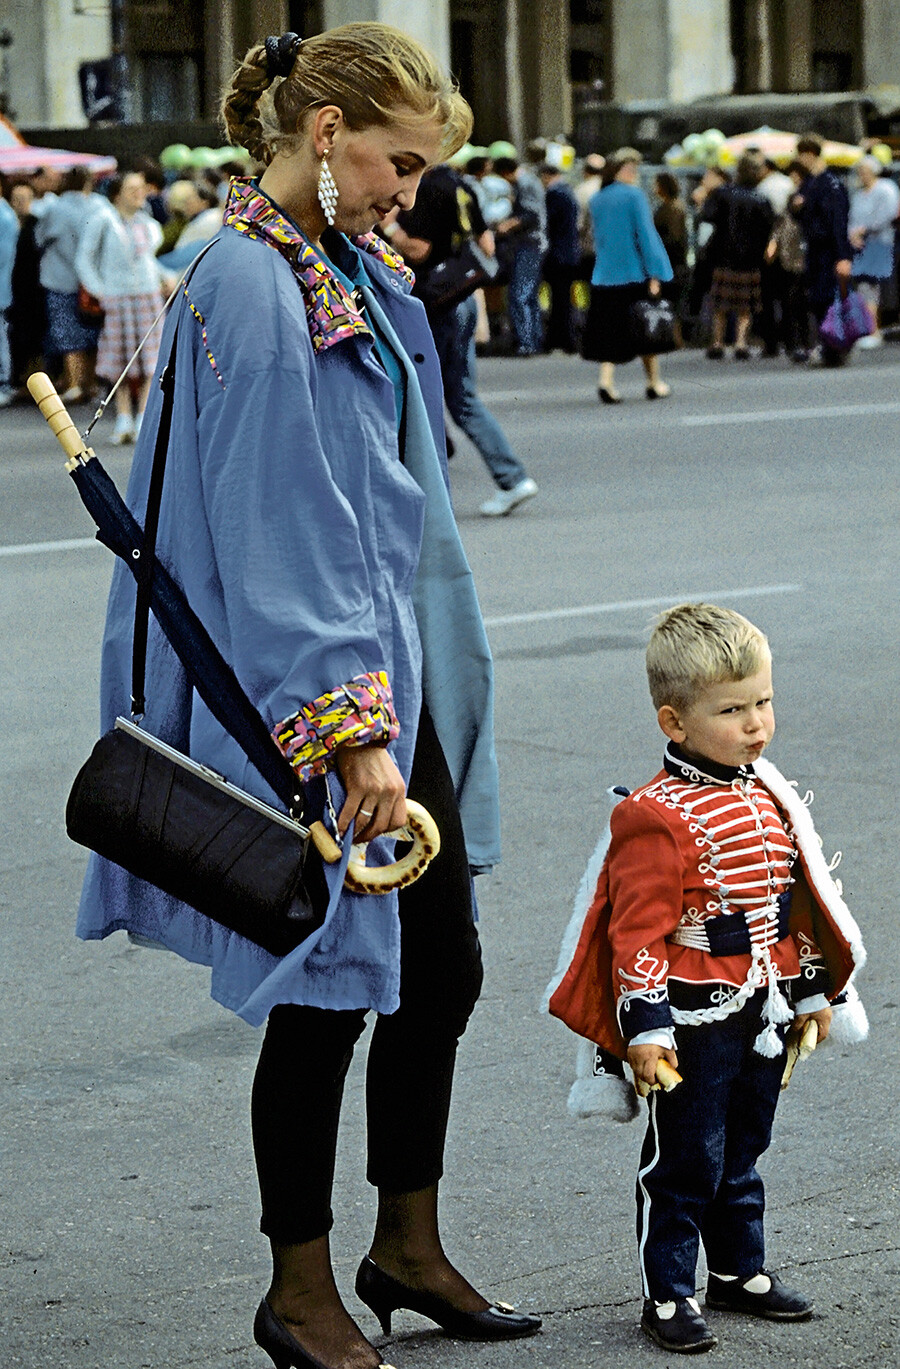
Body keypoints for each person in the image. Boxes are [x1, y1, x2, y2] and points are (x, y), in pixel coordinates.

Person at [74, 23, 541, 1369]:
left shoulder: (318, 263)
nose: (415, 192)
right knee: (327, 983)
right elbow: (285, 535)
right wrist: (354, 742)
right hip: (321, 700)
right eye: (401, 162)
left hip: (382, 677)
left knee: (436, 967)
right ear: (327, 133)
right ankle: (298, 1284)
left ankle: (407, 1242)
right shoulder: (256, 285)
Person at [548, 601, 867, 1354]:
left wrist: (813, 995)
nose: (756, 722)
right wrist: (646, 1033)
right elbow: (637, 935)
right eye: (732, 709)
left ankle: (736, 1269)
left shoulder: (768, 794)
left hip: (764, 1005)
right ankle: (668, 1291)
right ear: (675, 721)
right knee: (686, 1157)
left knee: (746, 1145)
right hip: (692, 1019)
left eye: (763, 701)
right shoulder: (655, 815)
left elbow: (796, 905)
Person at [390, 160, 539, 516]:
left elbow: (420, 249)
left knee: (430, 397)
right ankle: (508, 476)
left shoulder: (426, 189)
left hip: (437, 300)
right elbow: (485, 244)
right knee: (457, 396)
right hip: (462, 295)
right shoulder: (461, 185)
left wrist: (391, 228)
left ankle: (506, 479)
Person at [75, 170, 166, 443]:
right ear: (117, 194)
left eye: (142, 188)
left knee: (150, 360)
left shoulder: (148, 224)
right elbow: (84, 259)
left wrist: (164, 278)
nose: (140, 193)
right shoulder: (104, 220)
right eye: (132, 189)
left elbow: (148, 260)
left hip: (148, 296)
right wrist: (100, 291)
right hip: (118, 298)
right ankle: (124, 416)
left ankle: (143, 417)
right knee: (121, 361)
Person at [581, 148, 673, 403]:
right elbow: (646, 236)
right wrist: (657, 273)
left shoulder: (598, 198)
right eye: (631, 168)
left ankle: (606, 382)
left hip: (604, 274)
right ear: (620, 170)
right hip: (634, 272)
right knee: (646, 329)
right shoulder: (634, 196)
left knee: (610, 332)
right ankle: (654, 382)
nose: (635, 173)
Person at [34, 167, 108, 402]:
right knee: (93, 333)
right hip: (94, 282)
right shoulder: (100, 207)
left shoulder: (56, 208)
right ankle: (91, 382)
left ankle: (74, 383)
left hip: (60, 279)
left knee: (67, 333)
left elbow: (39, 238)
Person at [704, 152, 775, 360]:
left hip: (723, 255)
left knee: (720, 305)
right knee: (745, 307)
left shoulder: (722, 194)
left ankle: (717, 342)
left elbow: (708, 217)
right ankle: (741, 342)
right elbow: (768, 227)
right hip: (750, 258)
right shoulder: (761, 198)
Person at [792, 134, 853, 366]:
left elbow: (838, 222)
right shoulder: (810, 183)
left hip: (828, 249)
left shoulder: (830, 183)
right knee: (818, 299)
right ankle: (828, 343)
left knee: (828, 298)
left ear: (810, 154)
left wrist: (843, 256)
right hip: (814, 249)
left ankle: (834, 346)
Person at [492, 154, 547, 356]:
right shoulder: (528, 182)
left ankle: (525, 341)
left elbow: (531, 215)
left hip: (529, 244)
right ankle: (534, 338)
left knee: (520, 294)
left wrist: (507, 225)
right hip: (531, 244)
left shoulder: (525, 184)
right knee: (529, 295)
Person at [848, 154, 900, 348]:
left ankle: (874, 330)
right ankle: (871, 328)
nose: (862, 175)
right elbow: (852, 217)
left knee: (873, 286)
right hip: (861, 246)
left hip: (881, 242)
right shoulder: (859, 195)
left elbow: (888, 214)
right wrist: (852, 234)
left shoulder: (886, 188)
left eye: (865, 171)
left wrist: (865, 229)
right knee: (864, 287)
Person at [539, 162, 580, 353]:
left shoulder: (555, 194)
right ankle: (563, 338)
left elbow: (550, 223)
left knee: (560, 299)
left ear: (547, 175)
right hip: (569, 252)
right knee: (564, 298)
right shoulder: (569, 192)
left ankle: (562, 338)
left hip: (558, 254)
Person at [652, 171, 688, 347]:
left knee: (669, 300)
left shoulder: (671, 208)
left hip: (670, 262)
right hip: (672, 261)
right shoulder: (672, 206)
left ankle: (673, 337)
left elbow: (674, 238)